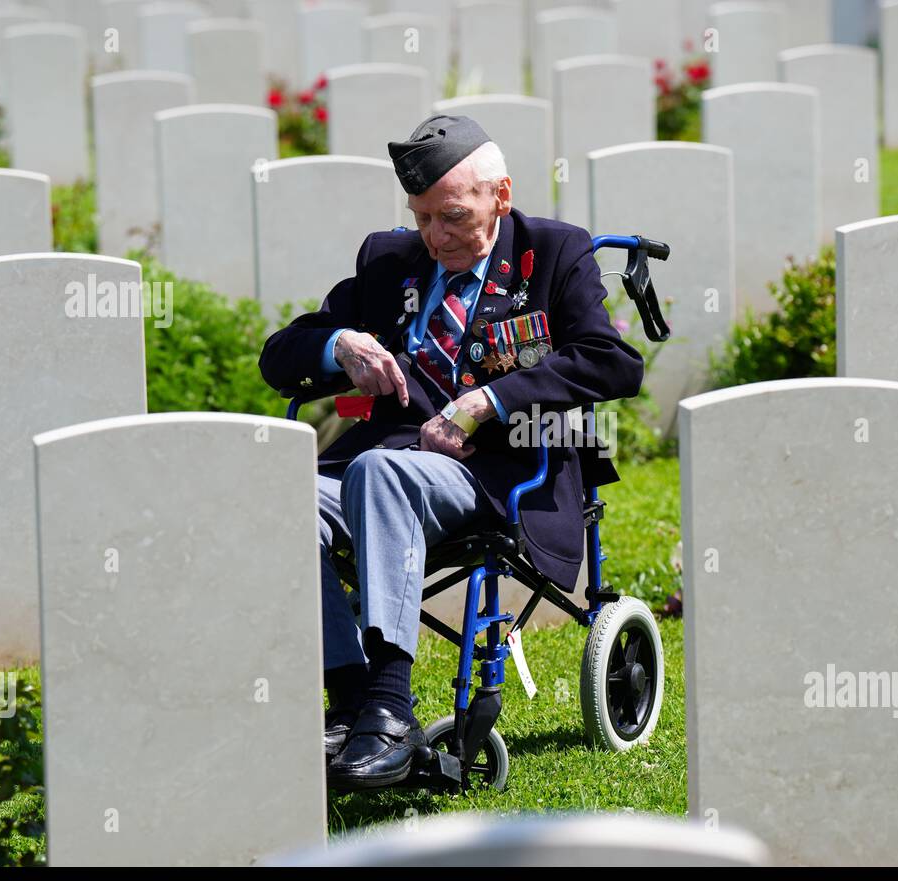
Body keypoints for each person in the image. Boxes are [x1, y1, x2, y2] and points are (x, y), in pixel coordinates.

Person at [259, 114, 643, 791]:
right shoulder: (389, 260)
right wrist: (339, 344)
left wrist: (486, 403)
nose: (435, 237)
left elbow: (612, 363)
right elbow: (279, 356)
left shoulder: (554, 253)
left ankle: (390, 707)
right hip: (384, 467)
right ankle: (350, 704)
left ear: (501, 195)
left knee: (380, 472)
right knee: (279, 487)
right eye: (423, 217)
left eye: (453, 217)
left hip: (501, 473)